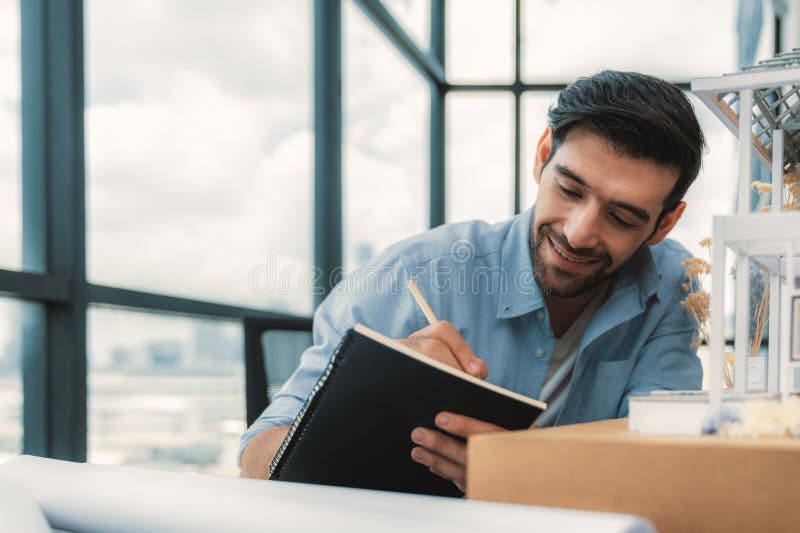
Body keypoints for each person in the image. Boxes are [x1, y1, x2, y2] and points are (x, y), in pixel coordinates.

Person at [239, 70, 705, 493]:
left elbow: (665, 472)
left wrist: (530, 473)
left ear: (663, 225)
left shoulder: (671, 289)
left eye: (622, 217)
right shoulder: (413, 273)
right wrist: (365, 394)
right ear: (543, 157)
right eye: (569, 189)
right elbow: (258, 460)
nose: (578, 232)